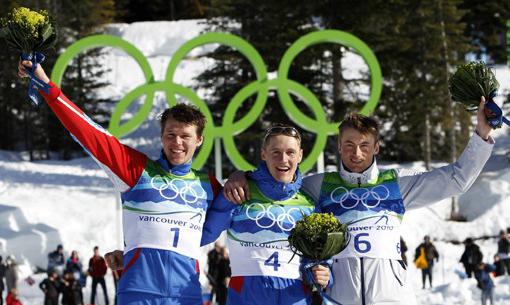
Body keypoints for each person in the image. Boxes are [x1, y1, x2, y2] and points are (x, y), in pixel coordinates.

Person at [224, 108, 494, 304]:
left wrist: (482, 134)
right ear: (339, 147)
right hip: (339, 298)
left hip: (392, 298)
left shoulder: (396, 183)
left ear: (376, 147)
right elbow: (277, 182)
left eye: (365, 145)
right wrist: (242, 176)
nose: (357, 153)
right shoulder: (318, 186)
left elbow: (457, 178)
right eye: (349, 145)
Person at [18, 60, 223, 305]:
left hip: (185, 295)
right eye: (171, 135)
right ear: (161, 136)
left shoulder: (208, 186)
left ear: (199, 140)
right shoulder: (137, 171)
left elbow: (220, 224)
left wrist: (244, 177)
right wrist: (47, 87)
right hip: (138, 294)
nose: (177, 142)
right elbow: (90, 133)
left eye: (185, 136)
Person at [201, 125, 330, 305]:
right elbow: (202, 234)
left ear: (300, 155)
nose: (283, 159)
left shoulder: (308, 204)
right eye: (275, 152)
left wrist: (323, 274)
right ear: (264, 154)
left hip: (295, 297)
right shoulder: (239, 192)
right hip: (247, 297)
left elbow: (318, 259)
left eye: (290, 152)